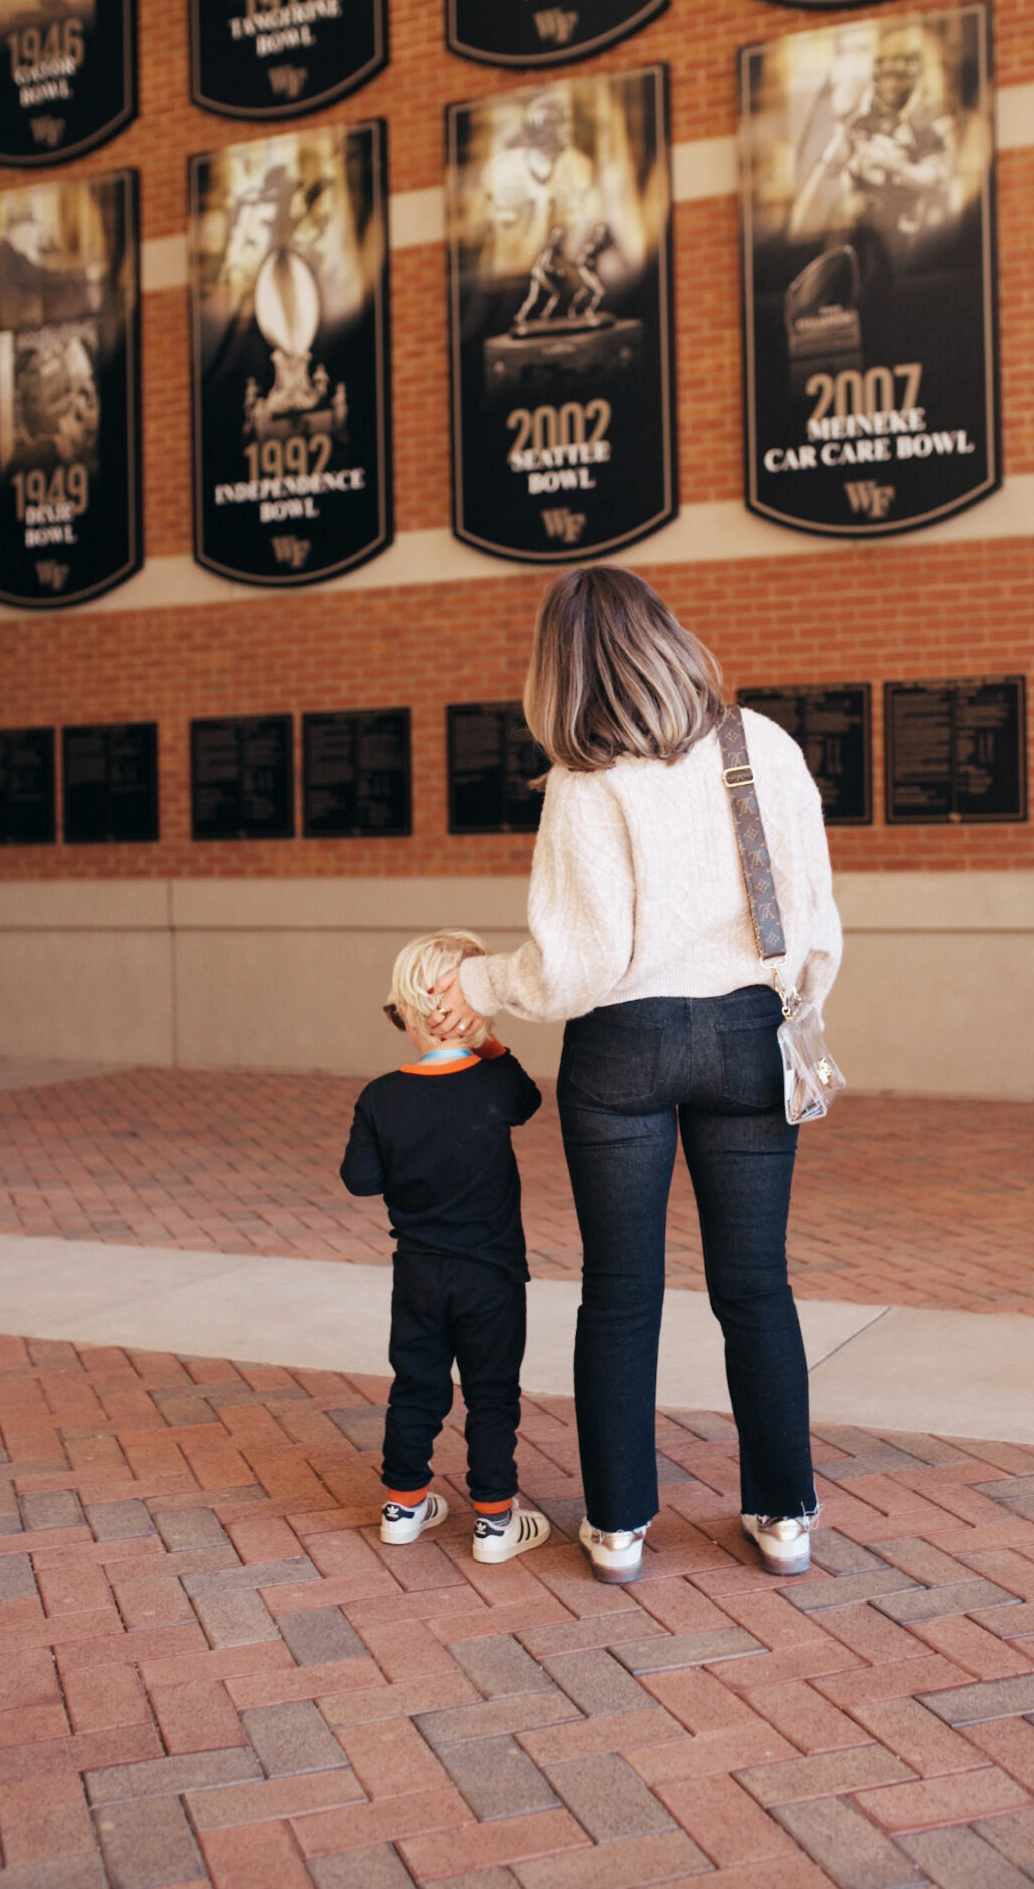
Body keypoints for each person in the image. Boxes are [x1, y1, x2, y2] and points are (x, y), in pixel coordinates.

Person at [429, 571, 843, 1584]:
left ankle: (617, 1526)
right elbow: (815, 922)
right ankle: (784, 1516)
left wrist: (477, 983)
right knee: (757, 1285)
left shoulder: (586, 781)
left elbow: (576, 966)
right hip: (748, 1034)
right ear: (667, 640)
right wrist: (788, 1004)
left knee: (620, 1290)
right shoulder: (761, 745)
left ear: (561, 671)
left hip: (623, 1045)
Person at [340, 931, 550, 1565]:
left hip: (418, 1273)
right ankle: (494, 1521)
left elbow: (360, 1180)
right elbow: (530, 1100)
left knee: (416, 1386)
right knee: (492, 1394)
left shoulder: (381, 1096)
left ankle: (403, 1507)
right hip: (491, 1275)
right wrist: (488, 1044)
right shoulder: (494, 1083)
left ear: (405, 1013)